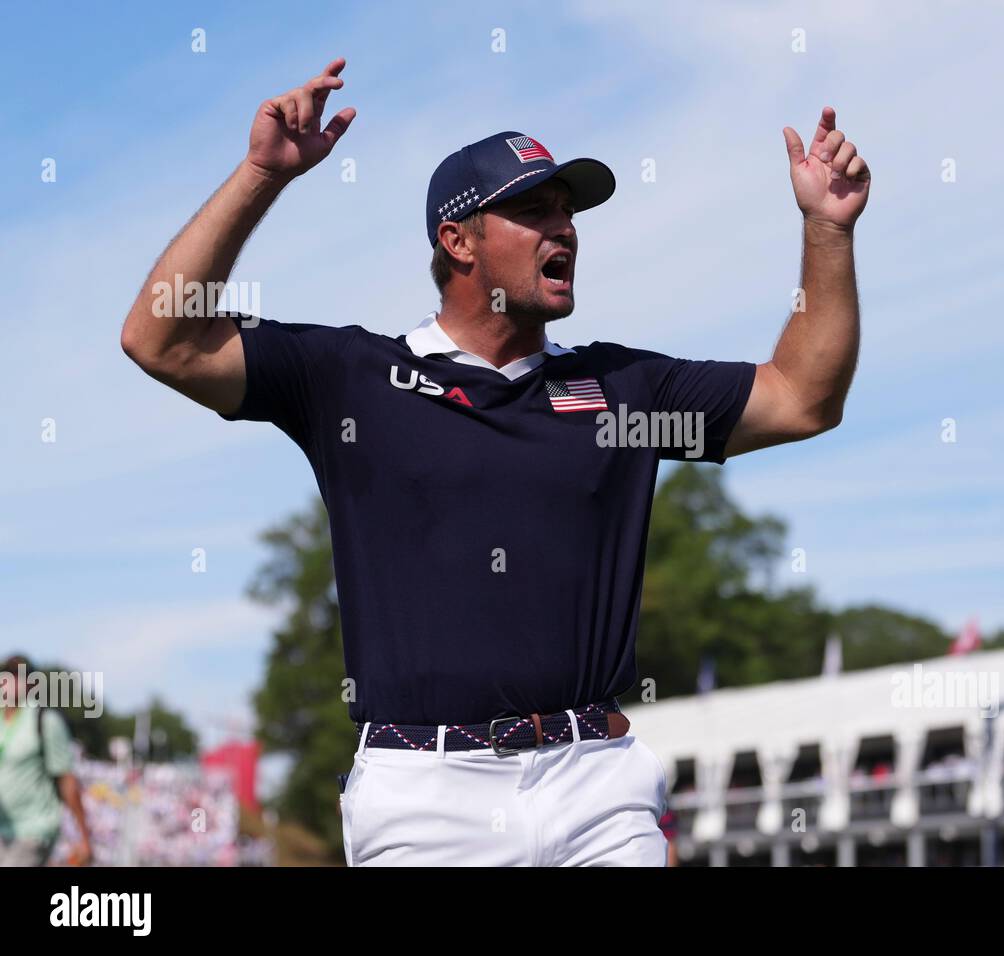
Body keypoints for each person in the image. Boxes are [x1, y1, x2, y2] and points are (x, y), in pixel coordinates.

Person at [120, 58, 869, 866]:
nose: (565, 228)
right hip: (422, 797)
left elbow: (802, 397)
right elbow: (159, 337)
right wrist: (262, 175)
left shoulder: (622, 388)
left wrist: (828, 230)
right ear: (458, 240)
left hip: (599, 787)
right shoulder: (352, 379)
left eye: (568, 210)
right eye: (532, 210)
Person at [0, 656, 93, 866]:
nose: (12, 680)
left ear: (32, 683)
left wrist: (85, 838)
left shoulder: (46, 721)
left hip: (32, 831)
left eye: (20, 676)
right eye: (8, 674)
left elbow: (68, 782)